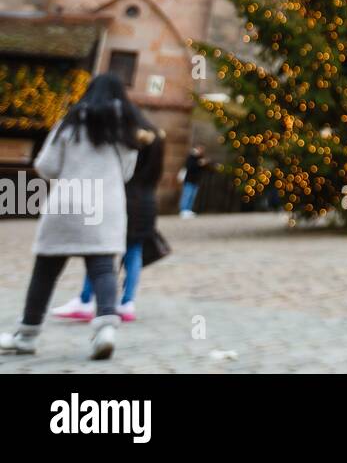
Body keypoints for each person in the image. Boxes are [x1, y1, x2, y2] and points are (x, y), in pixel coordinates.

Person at [0, 73, 145, 360]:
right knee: (104, 267)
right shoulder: (127, 130)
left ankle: (27, 334)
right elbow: (127, 173)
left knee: (45, 271)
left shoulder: (69, 123)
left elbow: (46, 165)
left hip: (69, 200)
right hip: (105, 203)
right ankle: (105, 329)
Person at [51, 123, 166, 323]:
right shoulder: (158, 142)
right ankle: (127, 303)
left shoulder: (131, 141)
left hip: (126, 201)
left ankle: (86, 299)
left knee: (101, 252)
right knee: (134, 253)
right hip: (147, 202)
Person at [179, 144, 206, 218]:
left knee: (192, 196)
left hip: (196, 180)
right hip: (189, 179)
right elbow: (189, 166)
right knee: (187, 195)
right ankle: (183, 210)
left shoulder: (200, 157)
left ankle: (188, 210)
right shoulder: (191, 156)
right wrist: (198, 163)